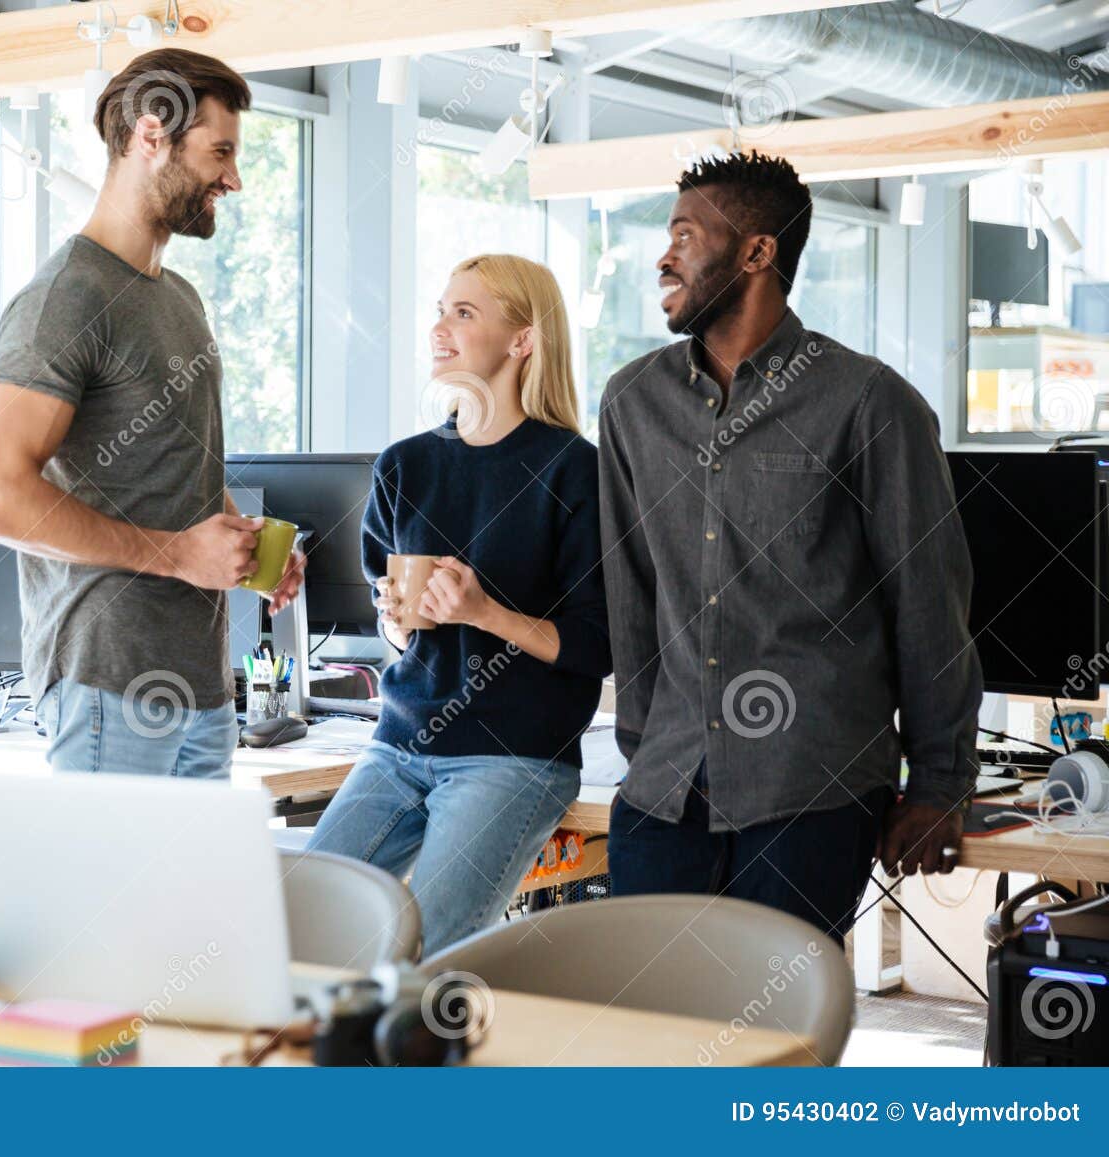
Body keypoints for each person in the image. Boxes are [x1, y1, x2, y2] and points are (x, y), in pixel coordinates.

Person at [597, 151, 983, 944]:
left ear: (757, 251)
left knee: (774, 1020)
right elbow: (631, 592)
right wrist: (643, 750)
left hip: (812, 790)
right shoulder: (632, 401)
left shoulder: (869, 402)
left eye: (685, 235)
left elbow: (928, 602)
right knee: (643, 1013)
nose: (664, 257)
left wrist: (939, 783)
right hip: (666, 789)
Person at [0, 49, 303, 777]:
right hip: (107, 685)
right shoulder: (66, 298)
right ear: (152, 135)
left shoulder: (179, 298)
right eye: (220, 152)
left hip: (204, 689)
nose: (233, 179)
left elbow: (174, 473)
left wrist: (242, 547)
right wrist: (179, 554)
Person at [306, 255, 611, 954]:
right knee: (305, 925)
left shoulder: (574, 469)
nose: (439, 328)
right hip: (400, 743)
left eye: (463, 313)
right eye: (440, 311)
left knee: (424, 953)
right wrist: (395, 618)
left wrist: (485, 613)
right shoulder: (405, 463)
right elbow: (395, 628)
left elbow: (599, 645)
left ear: (522, 339)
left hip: (513, 755)